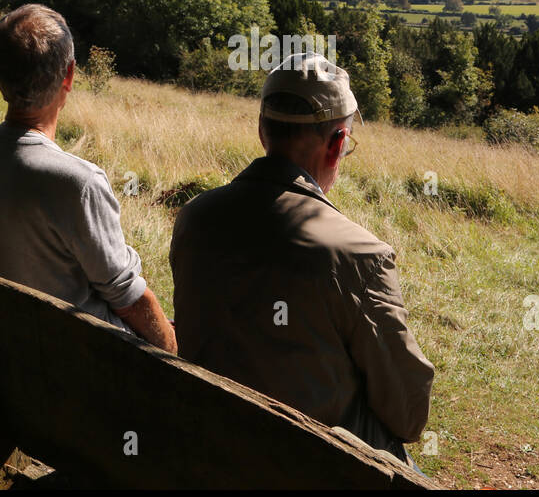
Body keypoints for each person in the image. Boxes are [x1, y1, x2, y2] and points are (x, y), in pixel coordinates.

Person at [0, 4, 176, 458]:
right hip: (73, 381)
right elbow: (129, 298)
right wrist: (173, 356)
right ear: (68, 77)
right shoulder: (77, 182)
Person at [169, 52, 434, 463]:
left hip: (208, 451)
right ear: (338, 144)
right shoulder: (359, 255)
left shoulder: (194, 218)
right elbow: (408, 415)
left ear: (262, 131)